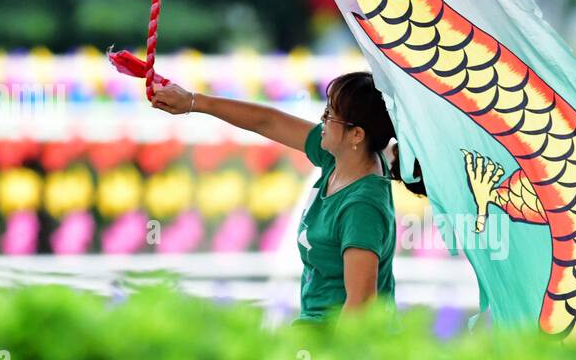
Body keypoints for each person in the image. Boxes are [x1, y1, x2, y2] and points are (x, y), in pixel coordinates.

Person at [150, 71, 424, 322]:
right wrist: (193, 102)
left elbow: (360, 306)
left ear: (356, 134)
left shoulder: (362, 206)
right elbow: (266, 121)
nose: (321, 119)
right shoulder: (338, 158)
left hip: (338, 351)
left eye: (330, 114)